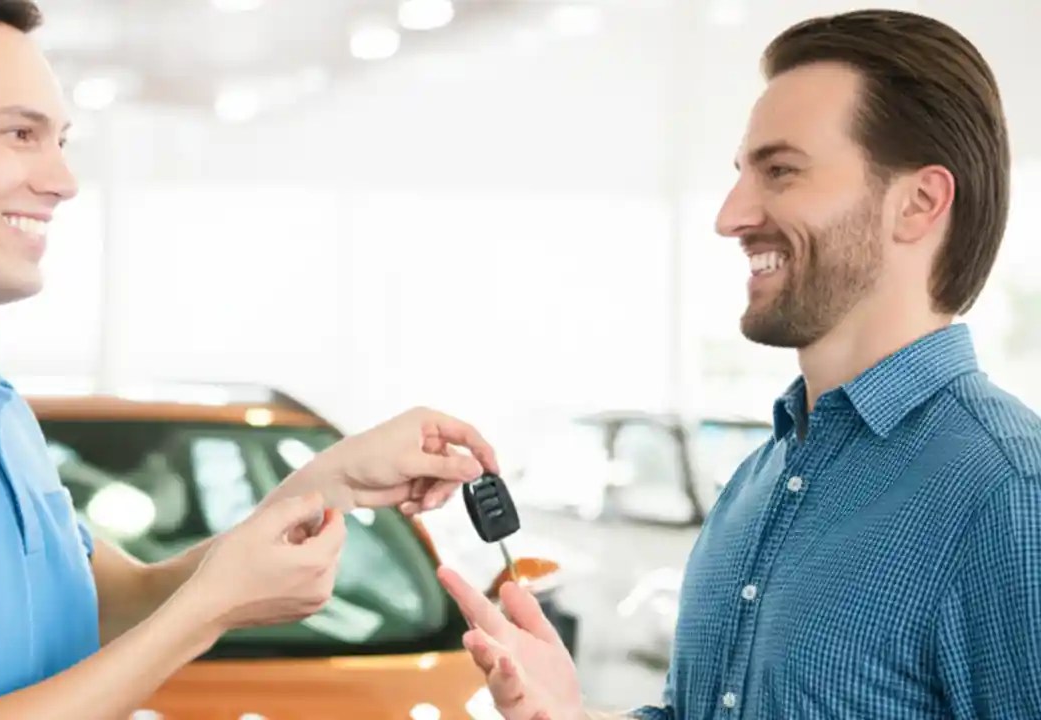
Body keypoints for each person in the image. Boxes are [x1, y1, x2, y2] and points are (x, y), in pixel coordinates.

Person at [0, 1, 500, 718]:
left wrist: (323, 484)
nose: (63, 179)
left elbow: (117, 604)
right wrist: (208, 616)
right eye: (20, 134)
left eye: (60, 140)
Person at [439, 8, 1041, 719]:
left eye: (780, 171)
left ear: (918, 203)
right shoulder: (764, 480)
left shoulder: (1006, 492)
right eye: (741, 174)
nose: (730, 215)